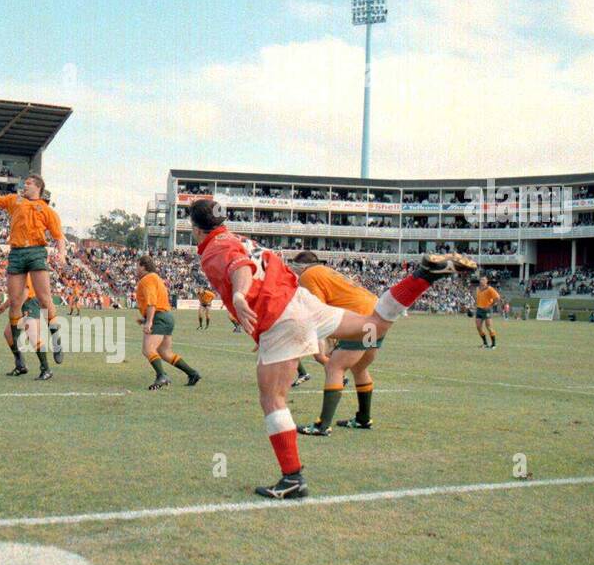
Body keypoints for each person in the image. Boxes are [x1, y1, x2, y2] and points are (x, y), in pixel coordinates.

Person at [188, 198, 475, 499]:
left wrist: (240, 296)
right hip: (301, 302)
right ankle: (423, 276)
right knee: (374, 324)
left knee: (272, 398)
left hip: (280, 316)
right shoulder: (239, 237)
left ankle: (293, 477)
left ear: (195, 228)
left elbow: (239, 268)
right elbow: (248, 262)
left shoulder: (215, 248)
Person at [0, 160, 67, 363]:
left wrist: (61, 254)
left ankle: (56, 338)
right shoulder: (14, 200)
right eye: (25, 183)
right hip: (16, 252)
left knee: (44, 299)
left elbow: (58, 236)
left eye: (28, 183)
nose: (24, 185)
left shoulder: (46, 210)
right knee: (15, 301)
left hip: (36, 251)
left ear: (38, 188)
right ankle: (17, 353)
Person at [291, 252, 380, 434]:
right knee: (359, 367)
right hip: (376, 315)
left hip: (359, 317)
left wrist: (327, 341)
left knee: (334, 367)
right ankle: (363, 419)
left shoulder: (308, 275)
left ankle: (322, 425)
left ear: (300, 267)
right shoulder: (325, 271)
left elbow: (319, 310)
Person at [135, 255, 200, 390]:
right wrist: (147, 318)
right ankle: (192, 373)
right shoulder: (156, 278)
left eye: (137, 266)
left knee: (148, 349)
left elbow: (152, 302)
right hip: (166, 316)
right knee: (165, 352)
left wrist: (150, 321)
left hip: (159, 317)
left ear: (143, 266)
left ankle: (162, 376)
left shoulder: (147, 279)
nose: (136, 269)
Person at [3, 274, 54, 380]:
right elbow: (15, 295)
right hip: (23, 303)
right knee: (9, 334)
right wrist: (4, 306)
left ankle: (46, 369)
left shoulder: (23, 270)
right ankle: (20, 365)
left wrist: (16, 307)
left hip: (29, 302)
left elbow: (25, 292)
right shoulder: (16, 270)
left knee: (33, 336)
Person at [474, 275, 500, 348]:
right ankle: (485, 343)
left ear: (486, 281)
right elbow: (478, 299)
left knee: (488, 327)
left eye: (483, 279)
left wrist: (490, 305)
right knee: (478, 327)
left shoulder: (490, 289)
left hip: (487, 310)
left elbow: (497, 298)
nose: (481, 281)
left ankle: (494, 344)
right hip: (479, 309)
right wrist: (474, 306)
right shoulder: (477, 289)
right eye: (480, 279)